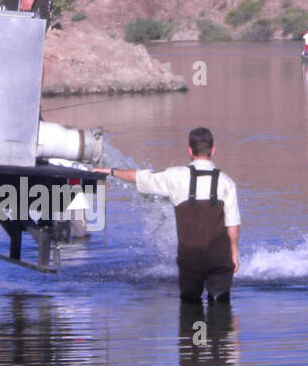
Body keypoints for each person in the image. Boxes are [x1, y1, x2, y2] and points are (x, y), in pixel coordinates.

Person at [96, 127, 241, 303]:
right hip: (219, 259)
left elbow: (140, 178)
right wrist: (233, 253)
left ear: (189, 150)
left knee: (192, 311)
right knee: (220, 309)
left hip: (190, 259)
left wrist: (111, 171)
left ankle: (198, 330)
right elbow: (232, 225)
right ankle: (217, 328)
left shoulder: (175, 176)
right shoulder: (226, 182)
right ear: (213, 150)